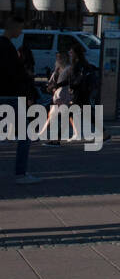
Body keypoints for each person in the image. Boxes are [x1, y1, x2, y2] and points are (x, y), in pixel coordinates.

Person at [0, 18, 40, 183]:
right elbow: (16, 74)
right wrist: (29, 91)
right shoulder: (7, 48)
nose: (21, 32)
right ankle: (20, 173)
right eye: (20, 29)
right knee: (25, 134)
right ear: (13, 27)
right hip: (11, 96)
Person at [36, 52, 80, 141]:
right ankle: (75, 133)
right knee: (61, 114)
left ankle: (50, 137)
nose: (56, 60)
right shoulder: (67, 68)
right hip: (65, 94)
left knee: (54, 114)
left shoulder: (62, 69)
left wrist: (51, 86)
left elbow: (53, 81)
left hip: (61, 95)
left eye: (58, 58)